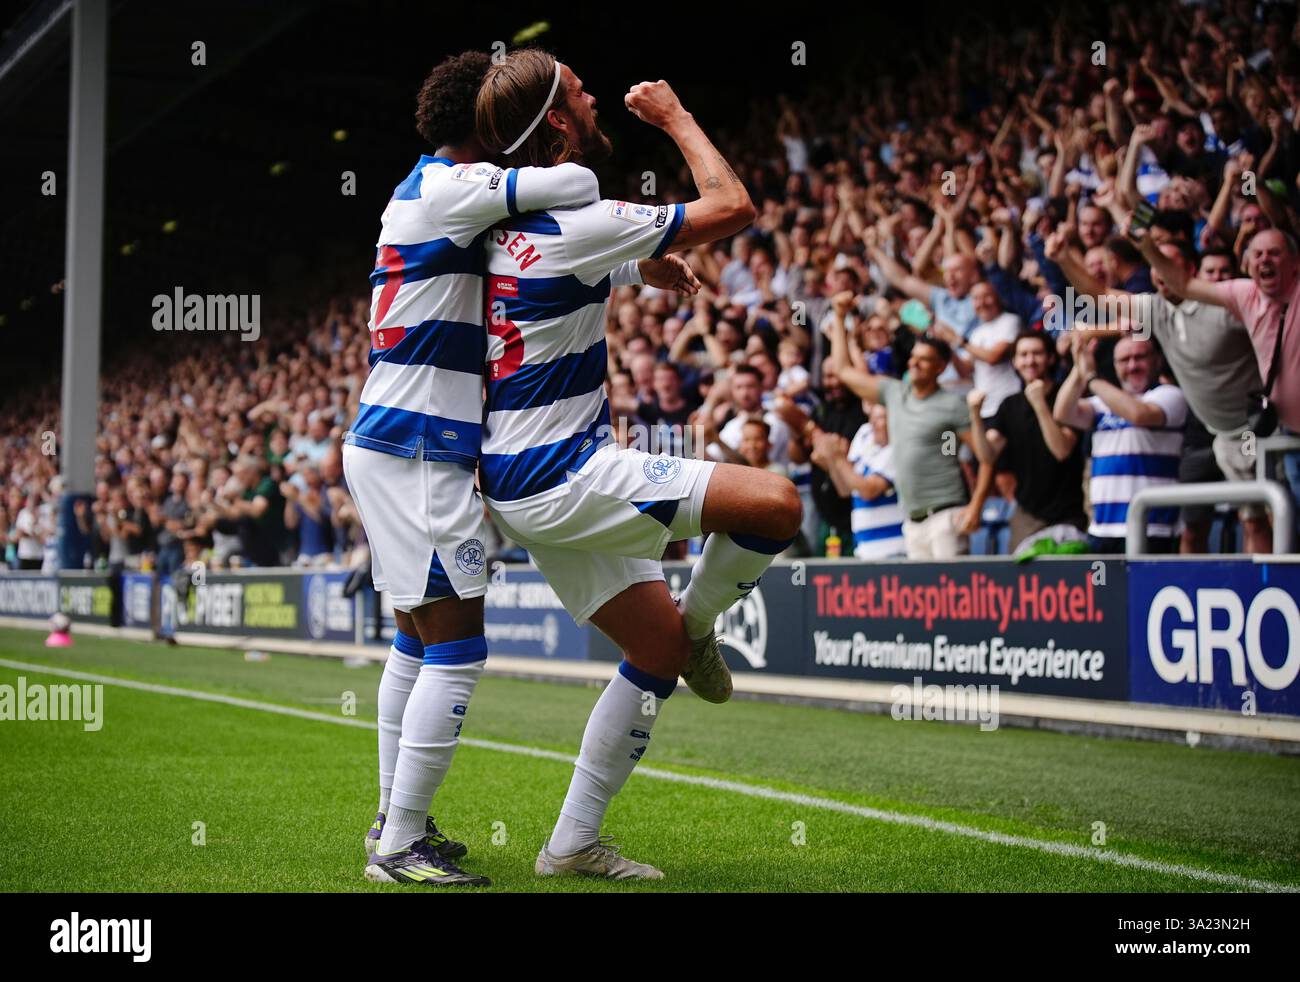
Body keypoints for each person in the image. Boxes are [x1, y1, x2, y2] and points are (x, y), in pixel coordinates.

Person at [475, 52, 798, 880]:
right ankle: (701, 630)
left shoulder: (505, 228)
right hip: (561, 472)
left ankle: (570, 844)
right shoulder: (577, 215)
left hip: (513, 479)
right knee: (774, 504)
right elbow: (734, 206)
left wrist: (642, 262)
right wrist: (676, 115)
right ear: (556, 122)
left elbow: (578, 267)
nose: (593, 96)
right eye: (579, 91)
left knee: (648, 653)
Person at [342, 51, 651, 888]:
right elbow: (576, 191)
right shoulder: (449, 191)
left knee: (415, 637)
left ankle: (393, 822)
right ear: (486, 125)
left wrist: (633, 262)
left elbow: (533, 261)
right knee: (458, 644)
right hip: (417, 444)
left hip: (395, 438)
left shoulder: (431, 195)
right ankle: (399, 844)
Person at [1048, 227, 1269, 552]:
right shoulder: (1157, 309)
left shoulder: (1230, 304)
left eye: (1167, 264)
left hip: (1261, 429)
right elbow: (1100, 295)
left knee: (1275, 514)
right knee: (1244, 522)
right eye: (1154, 266)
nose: (1160, 274)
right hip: (1218, 432)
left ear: (1190, 271)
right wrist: (1063, 258)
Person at [826, 292, 989, 558]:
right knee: (922, 600)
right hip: (912, 522)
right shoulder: (894, 393)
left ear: (941, 367)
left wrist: (976, 507)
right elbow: (843, 370)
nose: (914, 363)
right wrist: (840, 316)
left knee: (951, 598)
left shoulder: (952, 404)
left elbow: (985, 458)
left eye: (924, 359)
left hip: (946, 516)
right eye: (913, 356)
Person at [1054, 333, 1187, 553]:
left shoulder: (1170, 395)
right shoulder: (1101, 403)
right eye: (1124, 360)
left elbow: (1139, 415)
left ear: (1157, 360)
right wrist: (1080, 369)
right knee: (1105, 589)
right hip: (1104, 529)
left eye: (1140, 357)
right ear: (1114, 366)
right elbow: (1062, 413)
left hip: (1152, 527)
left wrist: (1092, 379)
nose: (1132, 365)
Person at [967, 332, 1087, 548]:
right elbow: (988, 455)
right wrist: (975, 416)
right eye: (1023, 355)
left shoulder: (1066, 396)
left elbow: (1061, 450)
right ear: (1014, 361)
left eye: (1037, 354)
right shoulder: (1009, 405)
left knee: (1068, 579)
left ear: (1050, 358)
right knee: (1024, 582)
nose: (1030, 360)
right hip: (1027, 515)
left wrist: (1040, 405)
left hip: (1070, 514)